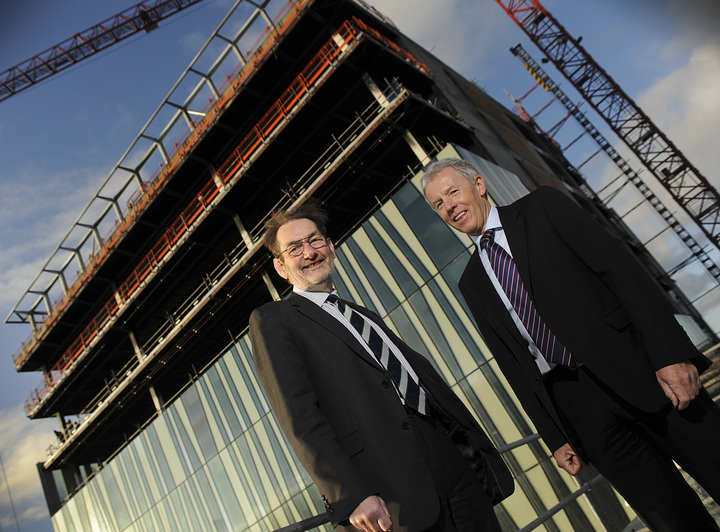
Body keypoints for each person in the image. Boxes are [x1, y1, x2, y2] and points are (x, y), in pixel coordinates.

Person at [421, 157, 720, 531]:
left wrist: (671, 354)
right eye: (438, 204)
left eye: (453, 192)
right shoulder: (471, 281)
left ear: (479, 185)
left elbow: (623, 273)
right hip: (580, 408)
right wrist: (555, 436)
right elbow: (513, 364)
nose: (449, 206)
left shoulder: (543, 207)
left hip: (643, 372)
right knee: (671, 519)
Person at [249, 203, 514, 532]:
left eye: (315, 241)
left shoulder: (364, 316)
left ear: (331, 247)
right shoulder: (275, 320)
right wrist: (351, 494)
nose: (309, 252)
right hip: (392, 491)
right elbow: (300, 420)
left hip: (452, 462)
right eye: (295, 247)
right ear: (281, 266)